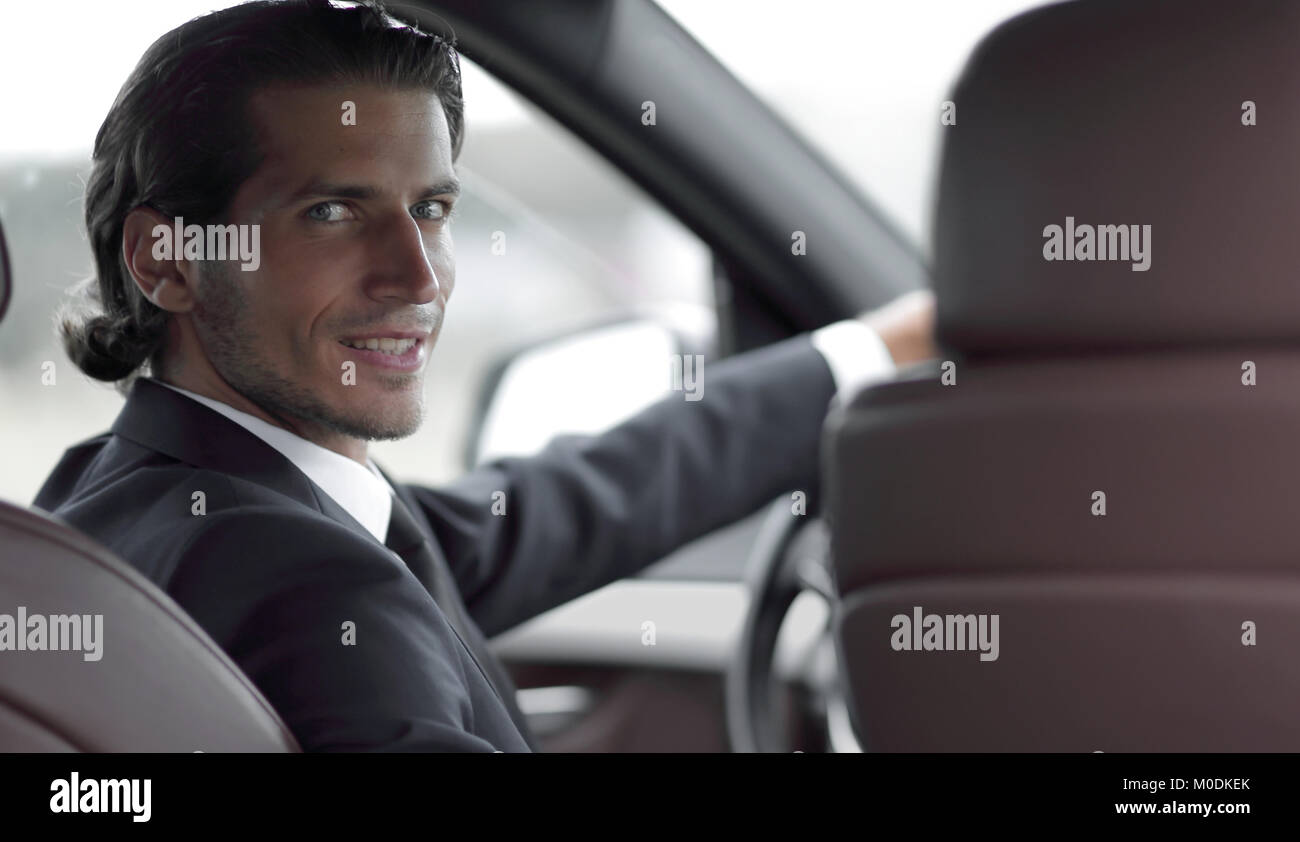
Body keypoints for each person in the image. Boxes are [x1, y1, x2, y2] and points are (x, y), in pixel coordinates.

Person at [33, 0, 936, 751]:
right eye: (334, 211)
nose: (417, 277)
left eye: (429, 209)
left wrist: (871, 353)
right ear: (169, 260)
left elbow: (552, 511)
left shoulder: (106, 499)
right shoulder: (315, 586)